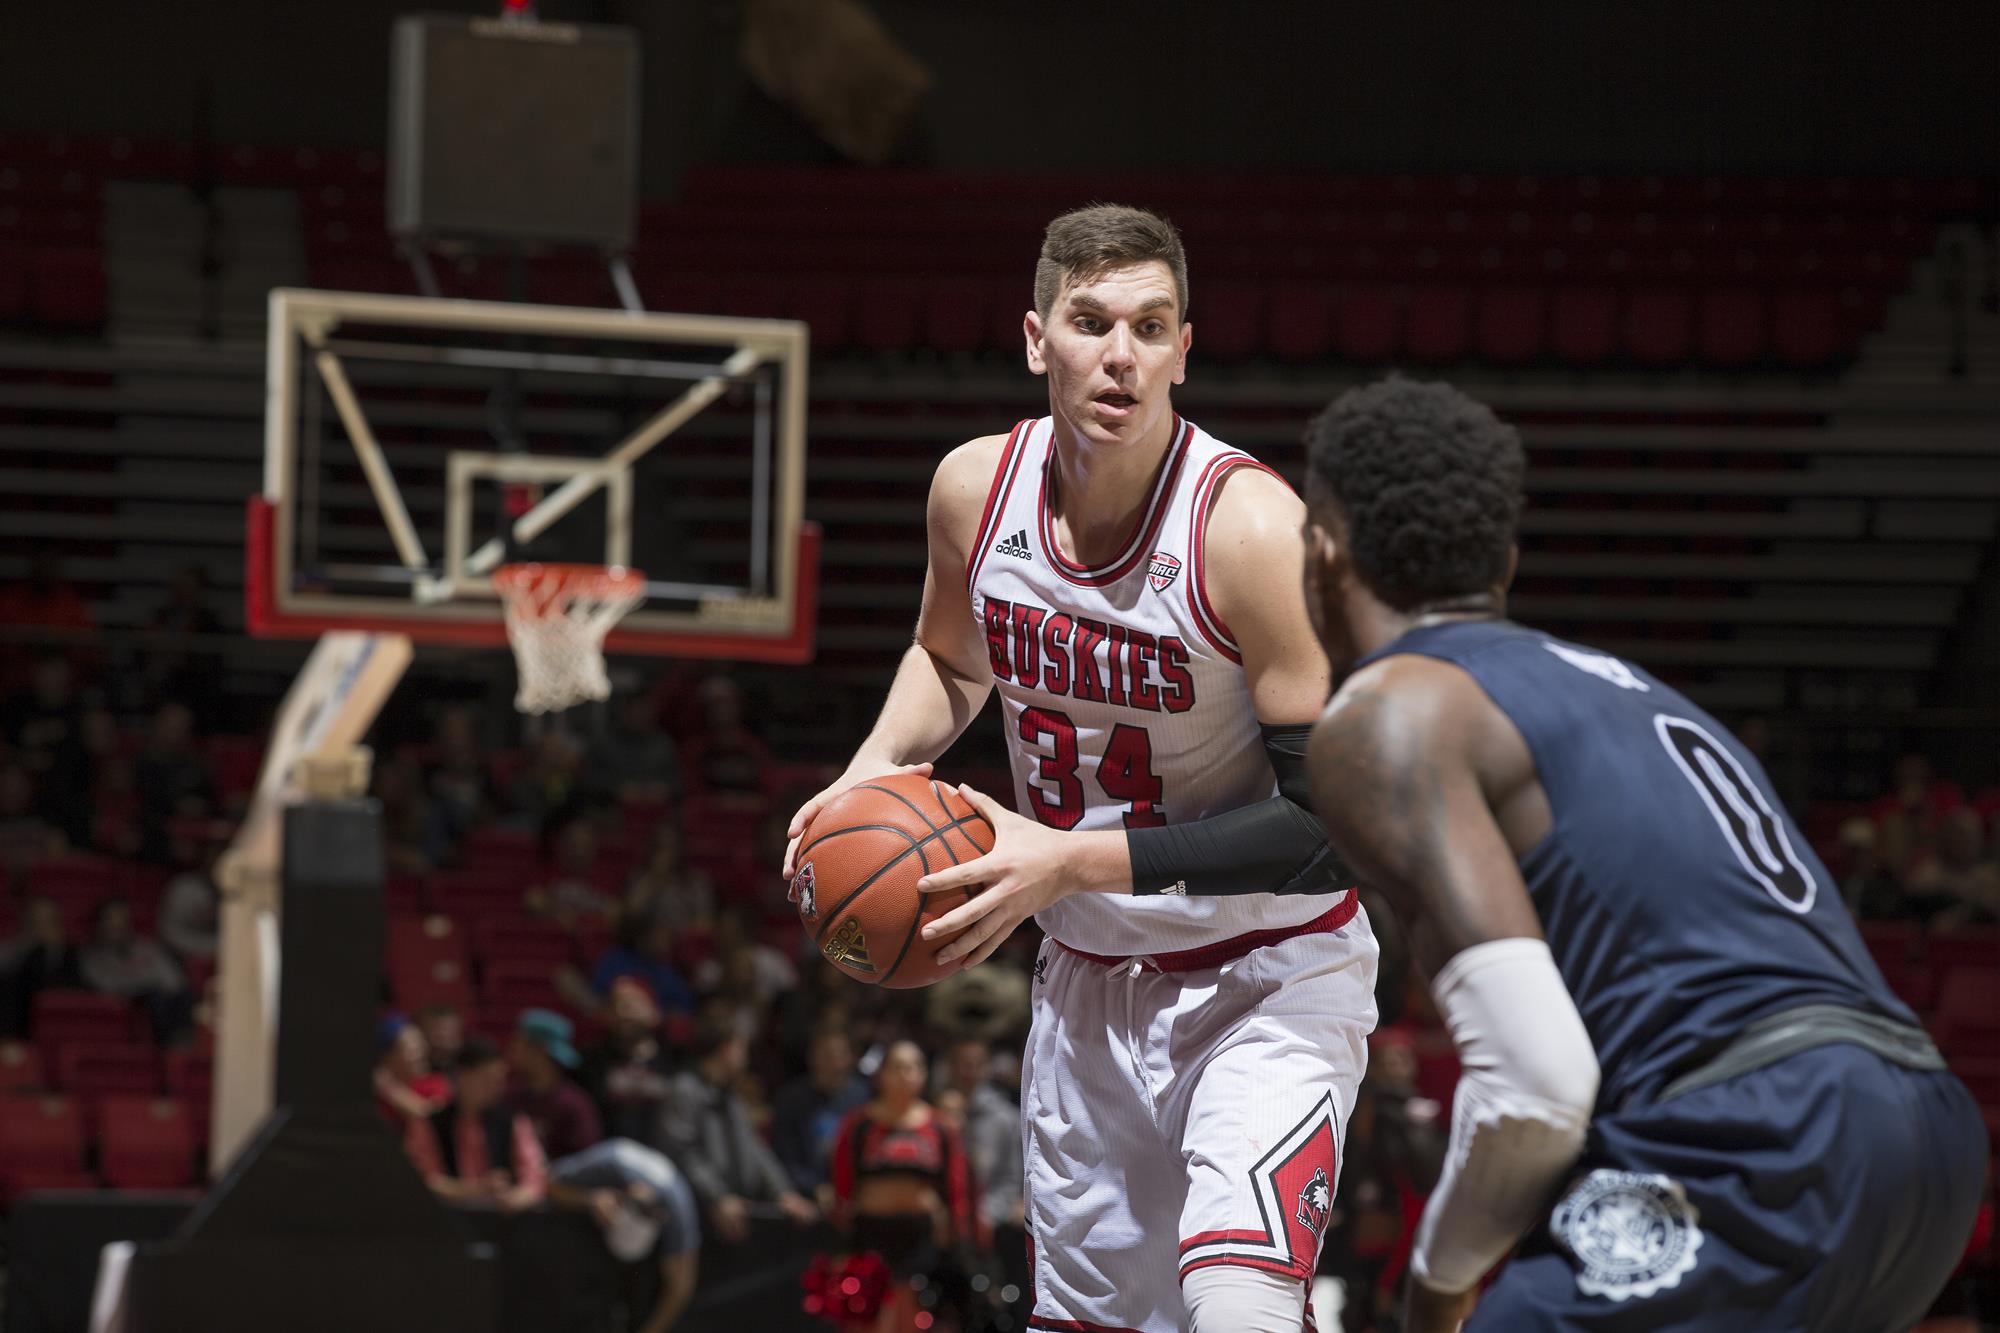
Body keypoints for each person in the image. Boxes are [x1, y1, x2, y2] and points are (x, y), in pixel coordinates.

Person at [783, 204, 1377, 1333]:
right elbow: (947, 657)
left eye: (1151, 327)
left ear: (1183, 352)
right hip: (1089, 985)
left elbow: (1329, 828)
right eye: (1090, 321)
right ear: (1033, 337)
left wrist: (1064, 860)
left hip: (1263, 974)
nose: (1120, 354)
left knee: (1234, 1301)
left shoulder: (1246, 531)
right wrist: (868, 770)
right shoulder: (973, 490)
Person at [1293, 376, 1988, 1332]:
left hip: (1756, 1132)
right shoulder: (1634, 690)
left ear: (1321, 553)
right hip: (1927, 1134)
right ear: (1506, 558)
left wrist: (1437, 1286)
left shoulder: (1389, 715)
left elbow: (1536, 1086)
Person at [655, 1011, 817, 1245]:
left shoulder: (731, 1095)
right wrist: (717, 1198)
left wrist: (784, 1193)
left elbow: (755, 1149)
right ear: (725, 1048)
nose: (746, 1055)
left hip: (739, 1210)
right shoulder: (683, 1090)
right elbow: (682, 1153)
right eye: (741, 1047)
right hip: (699, 1219)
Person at [828, 1041, 980, 1285]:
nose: (905, 1075)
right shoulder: (858, 1124)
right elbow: (842, 1182)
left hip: (921, 1236)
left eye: (913, 1068)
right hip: (870, 1232)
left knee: (916, 1315)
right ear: (882, 1075)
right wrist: (840, 1240)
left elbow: (956, 1186)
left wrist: (959, 1237)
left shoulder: (940, 1127)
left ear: (923, 1075)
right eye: (897, 1068)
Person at [404, 1036, 547, 1212]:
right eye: (486, 1079)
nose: (496, 1087)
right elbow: (426, 1181)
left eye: (499, 1080)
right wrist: (477, 1190)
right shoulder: (429, 1123)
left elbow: (534, 1177)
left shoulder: (513, 1121)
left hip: (503, 1221)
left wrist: (518, 1197)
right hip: (446, 1221)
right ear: (461, 1076)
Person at [771, 1024, 871, 1207]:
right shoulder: (791, 1099)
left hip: (854, 1196)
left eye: (838, 1056)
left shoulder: (863, 1097)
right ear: (812, 1058)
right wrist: (814, 1187)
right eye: (825, 1055)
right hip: (804, 1198)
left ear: (849, 1058)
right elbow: (783, 1156)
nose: (832, 1063)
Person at [78, 898, 191, 1043]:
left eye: (122, 920)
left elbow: (175, 981)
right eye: (111, 920)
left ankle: (177, 1050)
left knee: (182, 997)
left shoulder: (148, 949)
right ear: (100, 924)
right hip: (122, 1011)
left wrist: (152, 987)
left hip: (162, 1002)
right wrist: (142, 986)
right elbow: (106, 986)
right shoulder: (92, 956)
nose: (117, 926)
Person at [582, 976, 679, 1144]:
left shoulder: (677, 1061)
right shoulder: (590, 1064)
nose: (622, 1011)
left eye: (631, 1004)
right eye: (615, 1005)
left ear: (654, 1012)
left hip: (664, 1162)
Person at [505, 1008, 604, 1160]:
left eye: (519, 1044)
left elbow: (587, 1163)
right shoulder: (510, 1098)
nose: (513, 1050)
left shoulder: (574, 1105)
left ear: (540, 1051)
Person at [0, 896, 82, 1037]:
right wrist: (26, 949)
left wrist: (51, 951)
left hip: (56, 1031)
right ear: (24, 924)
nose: (41, 928)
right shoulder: (9, 952)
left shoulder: (72, 956)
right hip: (11, 1030)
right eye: (35, 922)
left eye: (48, 922)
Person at [375, 1013, 451, 1124]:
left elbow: (433, 1115)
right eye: (412, 1048)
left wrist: (388, 1088)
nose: (421, 1053)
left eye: (421, 1045)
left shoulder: (434, 1084)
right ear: (387, 1056)